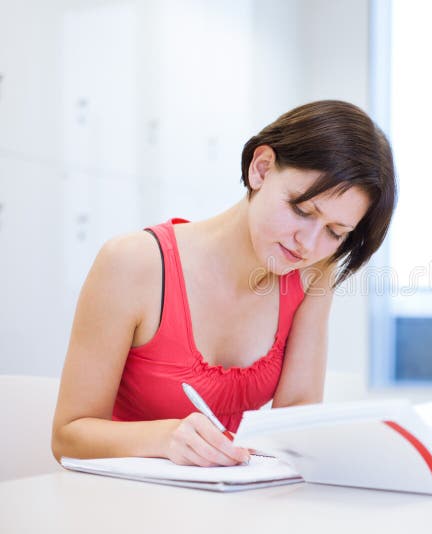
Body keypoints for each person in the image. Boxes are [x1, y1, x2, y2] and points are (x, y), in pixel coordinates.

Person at [52, 100, 396, 467]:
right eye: (302, 210)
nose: (308, 244)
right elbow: (68, 436)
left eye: (334, 231)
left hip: (231, 504)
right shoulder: (132, 264)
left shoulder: (312, 273)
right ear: (261, 169)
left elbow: (295, 420)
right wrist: (163, 437)